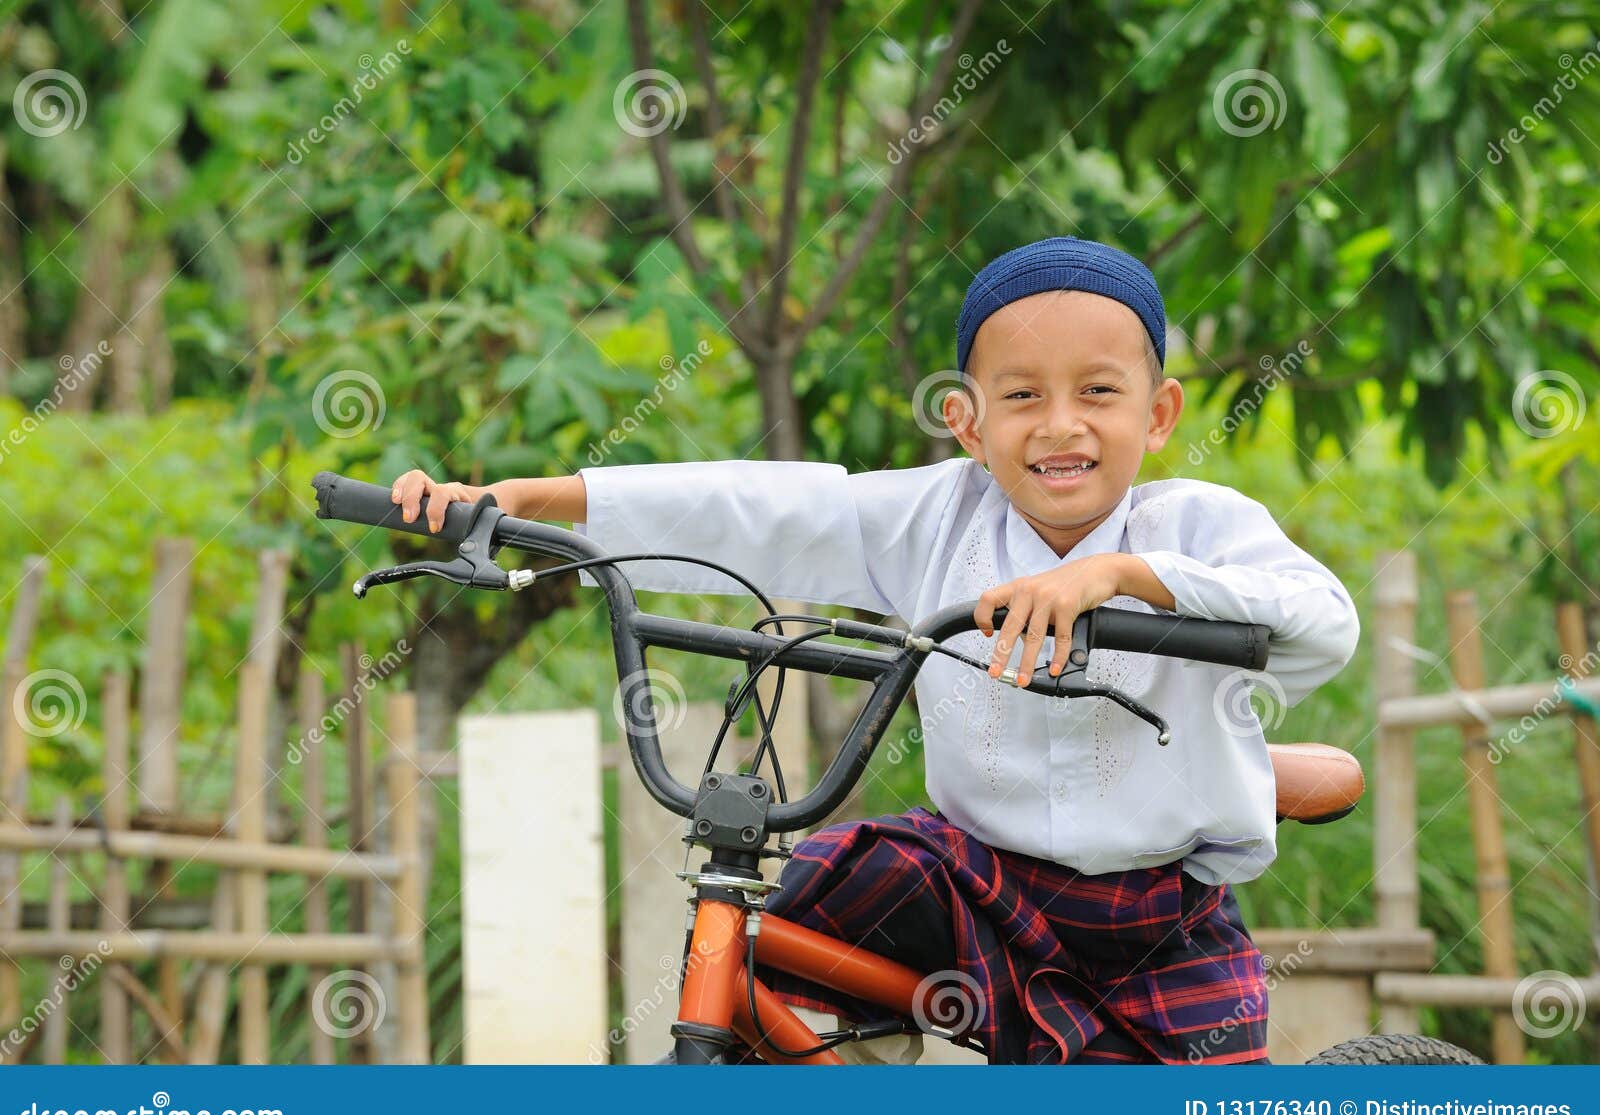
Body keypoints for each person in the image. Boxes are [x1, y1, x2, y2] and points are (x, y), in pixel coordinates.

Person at [387, 236, 1360, 1064]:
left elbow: (1323, 623)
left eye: (1098, 391)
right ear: (967, 422)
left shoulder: (1197, 525)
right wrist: (531, 499)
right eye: (1022, 395)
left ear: (1158, 414)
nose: (1060, 424)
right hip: (982, 879)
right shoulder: (936, 517)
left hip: (1155, 911)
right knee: (814, 888)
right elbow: (755, 509)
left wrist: (1126, 577)